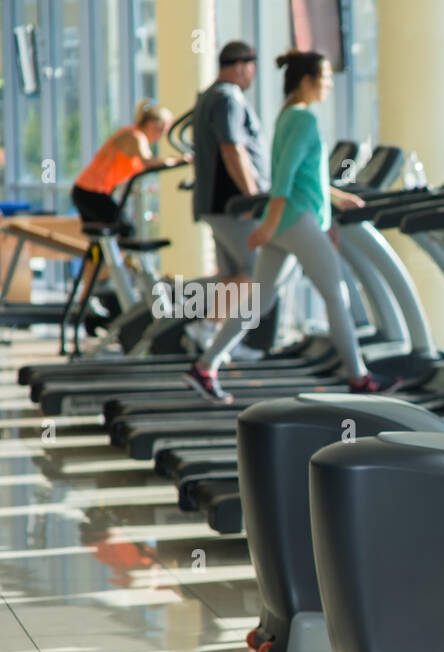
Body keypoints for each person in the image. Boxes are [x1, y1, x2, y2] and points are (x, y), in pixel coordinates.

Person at [183, 50, 398, 403]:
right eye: (325, 77)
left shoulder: (288, 116)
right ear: (307, 81)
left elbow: (302, 174)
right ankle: (359, 377)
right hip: (295, 219)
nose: (329, 84)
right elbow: (283, 181)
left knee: (261, 300)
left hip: (292, 218)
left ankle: (205, 366)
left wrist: (335, 197)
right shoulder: (303, 120)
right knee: (336, 294)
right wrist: (268, 225)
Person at [191, 40, 270, 280]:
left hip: (217, 204)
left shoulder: (208, 95)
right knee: (257, 272)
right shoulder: (228, 98)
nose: (253, 76)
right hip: (232, 206)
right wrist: (252, 199)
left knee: (231, 274)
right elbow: (232, 150)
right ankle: (224, 318)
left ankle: (213, 320)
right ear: (239, 65)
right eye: (252, 68)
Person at [72, 102, 186, 234]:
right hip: (90, 192)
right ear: (151, 124)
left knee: (103, 237)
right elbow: (148, 163)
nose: (160, 137)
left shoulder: (134, 135)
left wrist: (175, 160)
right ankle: (124, 254)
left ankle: (97, 255)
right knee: (125, 229)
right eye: (161, 130)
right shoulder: (135, 137)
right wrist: (177, 161)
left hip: (87, 191)